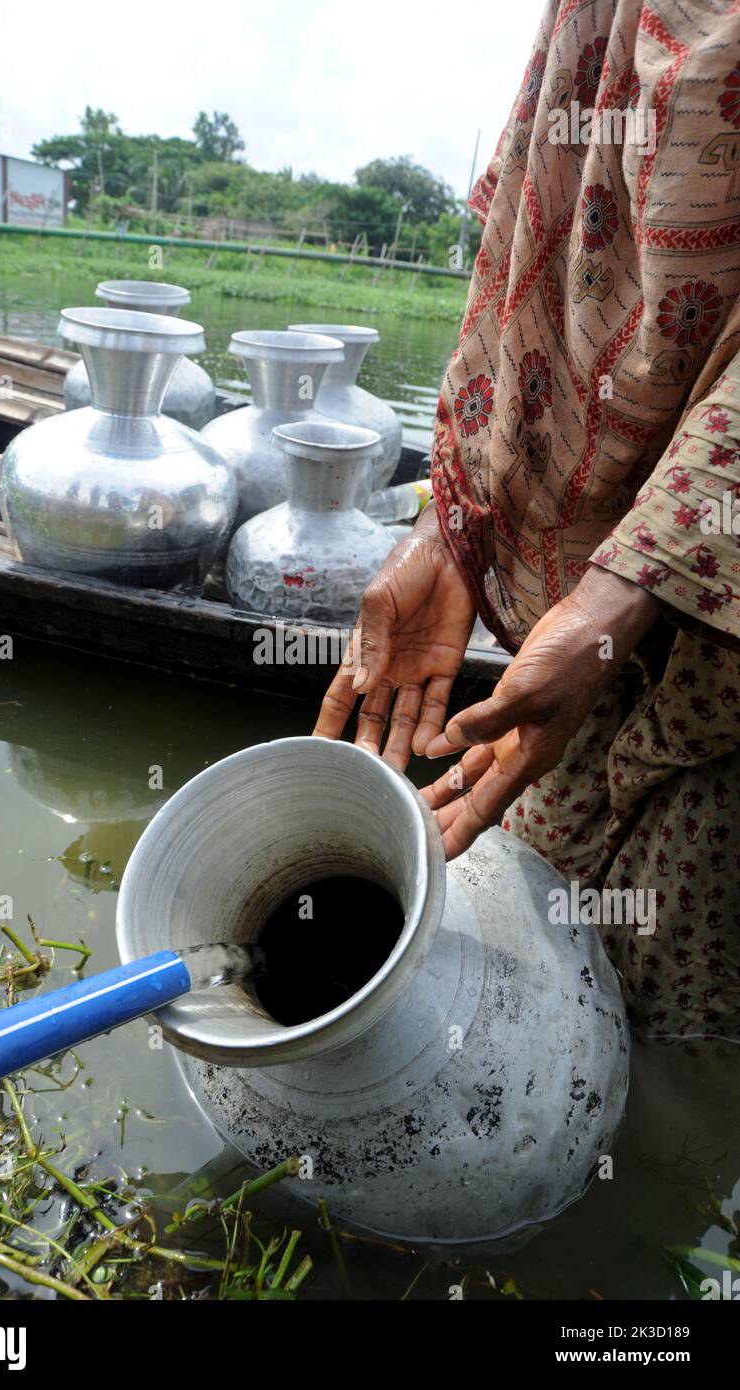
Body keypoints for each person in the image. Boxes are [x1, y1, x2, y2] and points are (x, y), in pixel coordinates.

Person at [315, 0, 740, 1042]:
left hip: (713, 632)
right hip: (580, 612)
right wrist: (449, 528)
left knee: (678, 999)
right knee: (521, 906)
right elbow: (526, 246)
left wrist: (623, 595)